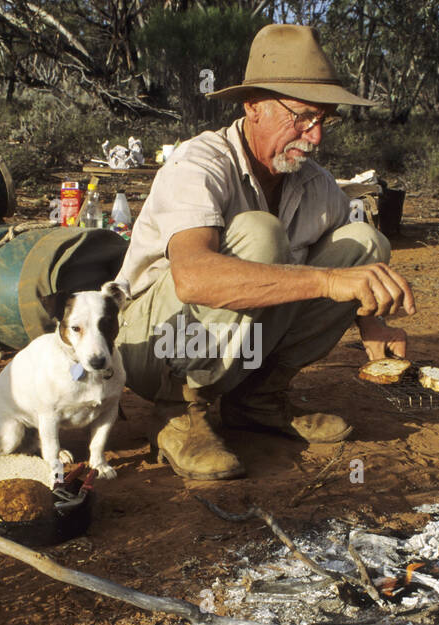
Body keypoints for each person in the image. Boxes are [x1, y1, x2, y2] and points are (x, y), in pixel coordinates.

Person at [115, 23, 415, 481]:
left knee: (365, 244)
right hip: (153, 347)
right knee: (261, 234)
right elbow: (193, 278)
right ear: (253, 107)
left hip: (241, 347)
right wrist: (329, 283)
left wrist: (372, 322)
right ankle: (179, 410)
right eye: (302, 117)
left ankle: (257, 397)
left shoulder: (313, 182)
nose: (314, 137)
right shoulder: (198, 163)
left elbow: (355, 263)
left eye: (324, 120)